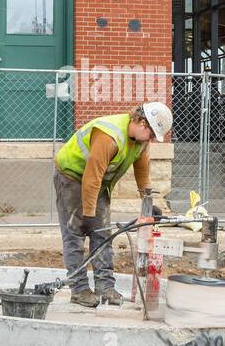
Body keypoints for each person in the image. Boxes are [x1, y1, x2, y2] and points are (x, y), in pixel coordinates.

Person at [53, 101, 173, 308]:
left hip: (98, 183)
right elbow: (92, 176)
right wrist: (88, 214)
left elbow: (142, 172)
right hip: (72, 178)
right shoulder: (109, 136)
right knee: (75, 233)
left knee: (103, 234)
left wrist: (148, 202)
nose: (152, 140)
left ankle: (105, 287)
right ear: (141, 122)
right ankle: (79, 289)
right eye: (152, 134)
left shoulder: (140, 142)